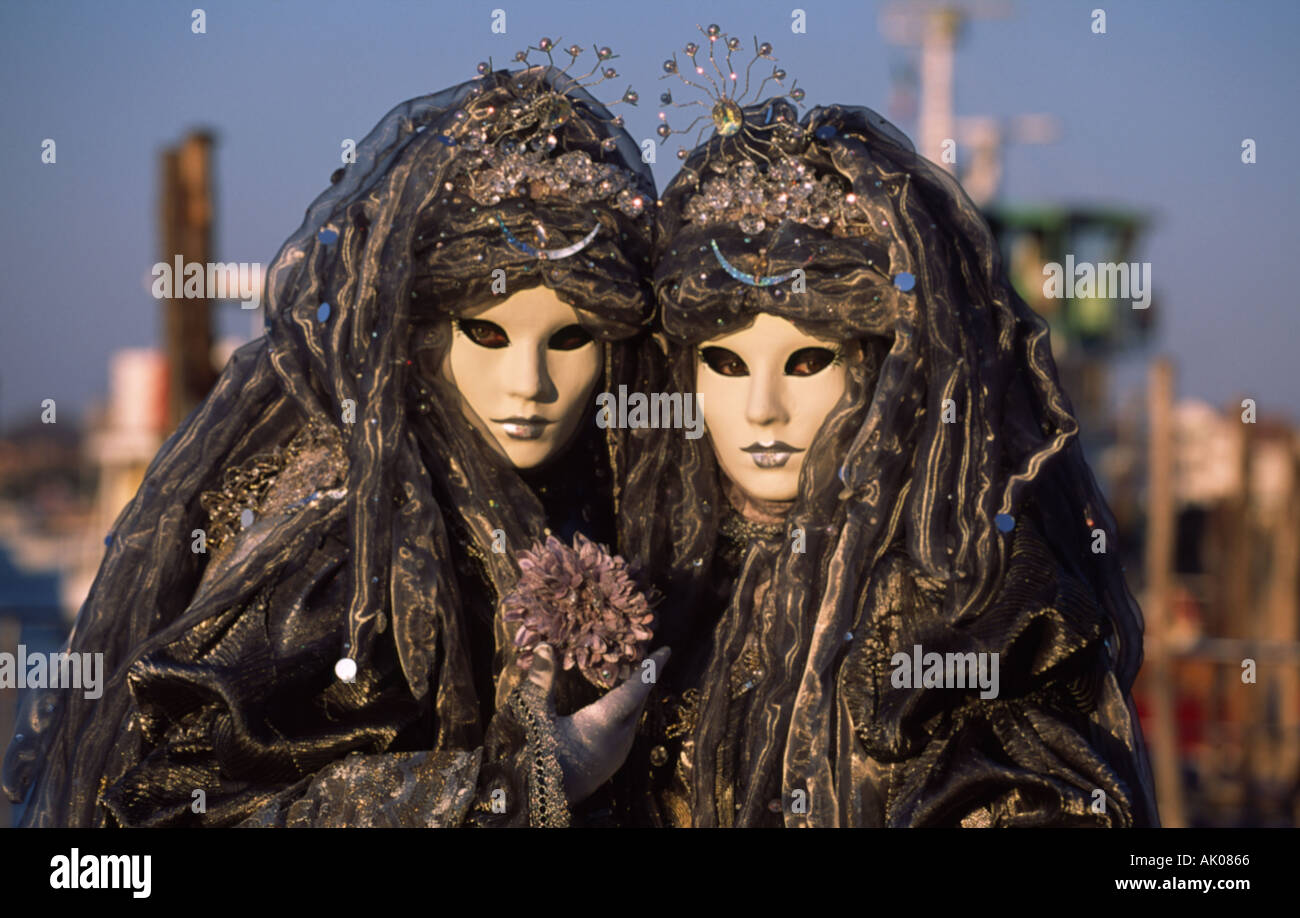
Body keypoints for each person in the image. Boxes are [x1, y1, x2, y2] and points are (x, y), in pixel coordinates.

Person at [3, 57, 664, 827]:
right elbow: (169, 815)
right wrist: (509, 792)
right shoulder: (343, 545)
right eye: (484, 332)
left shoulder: (576, 501)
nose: (529, 383)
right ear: (418, 331)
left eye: (572, 338)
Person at [616, 90, 1161, 827]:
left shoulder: (961, 600)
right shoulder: (656, 579)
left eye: (809, 360)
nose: (761, 409)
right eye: (725, 362)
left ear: (886, 374)